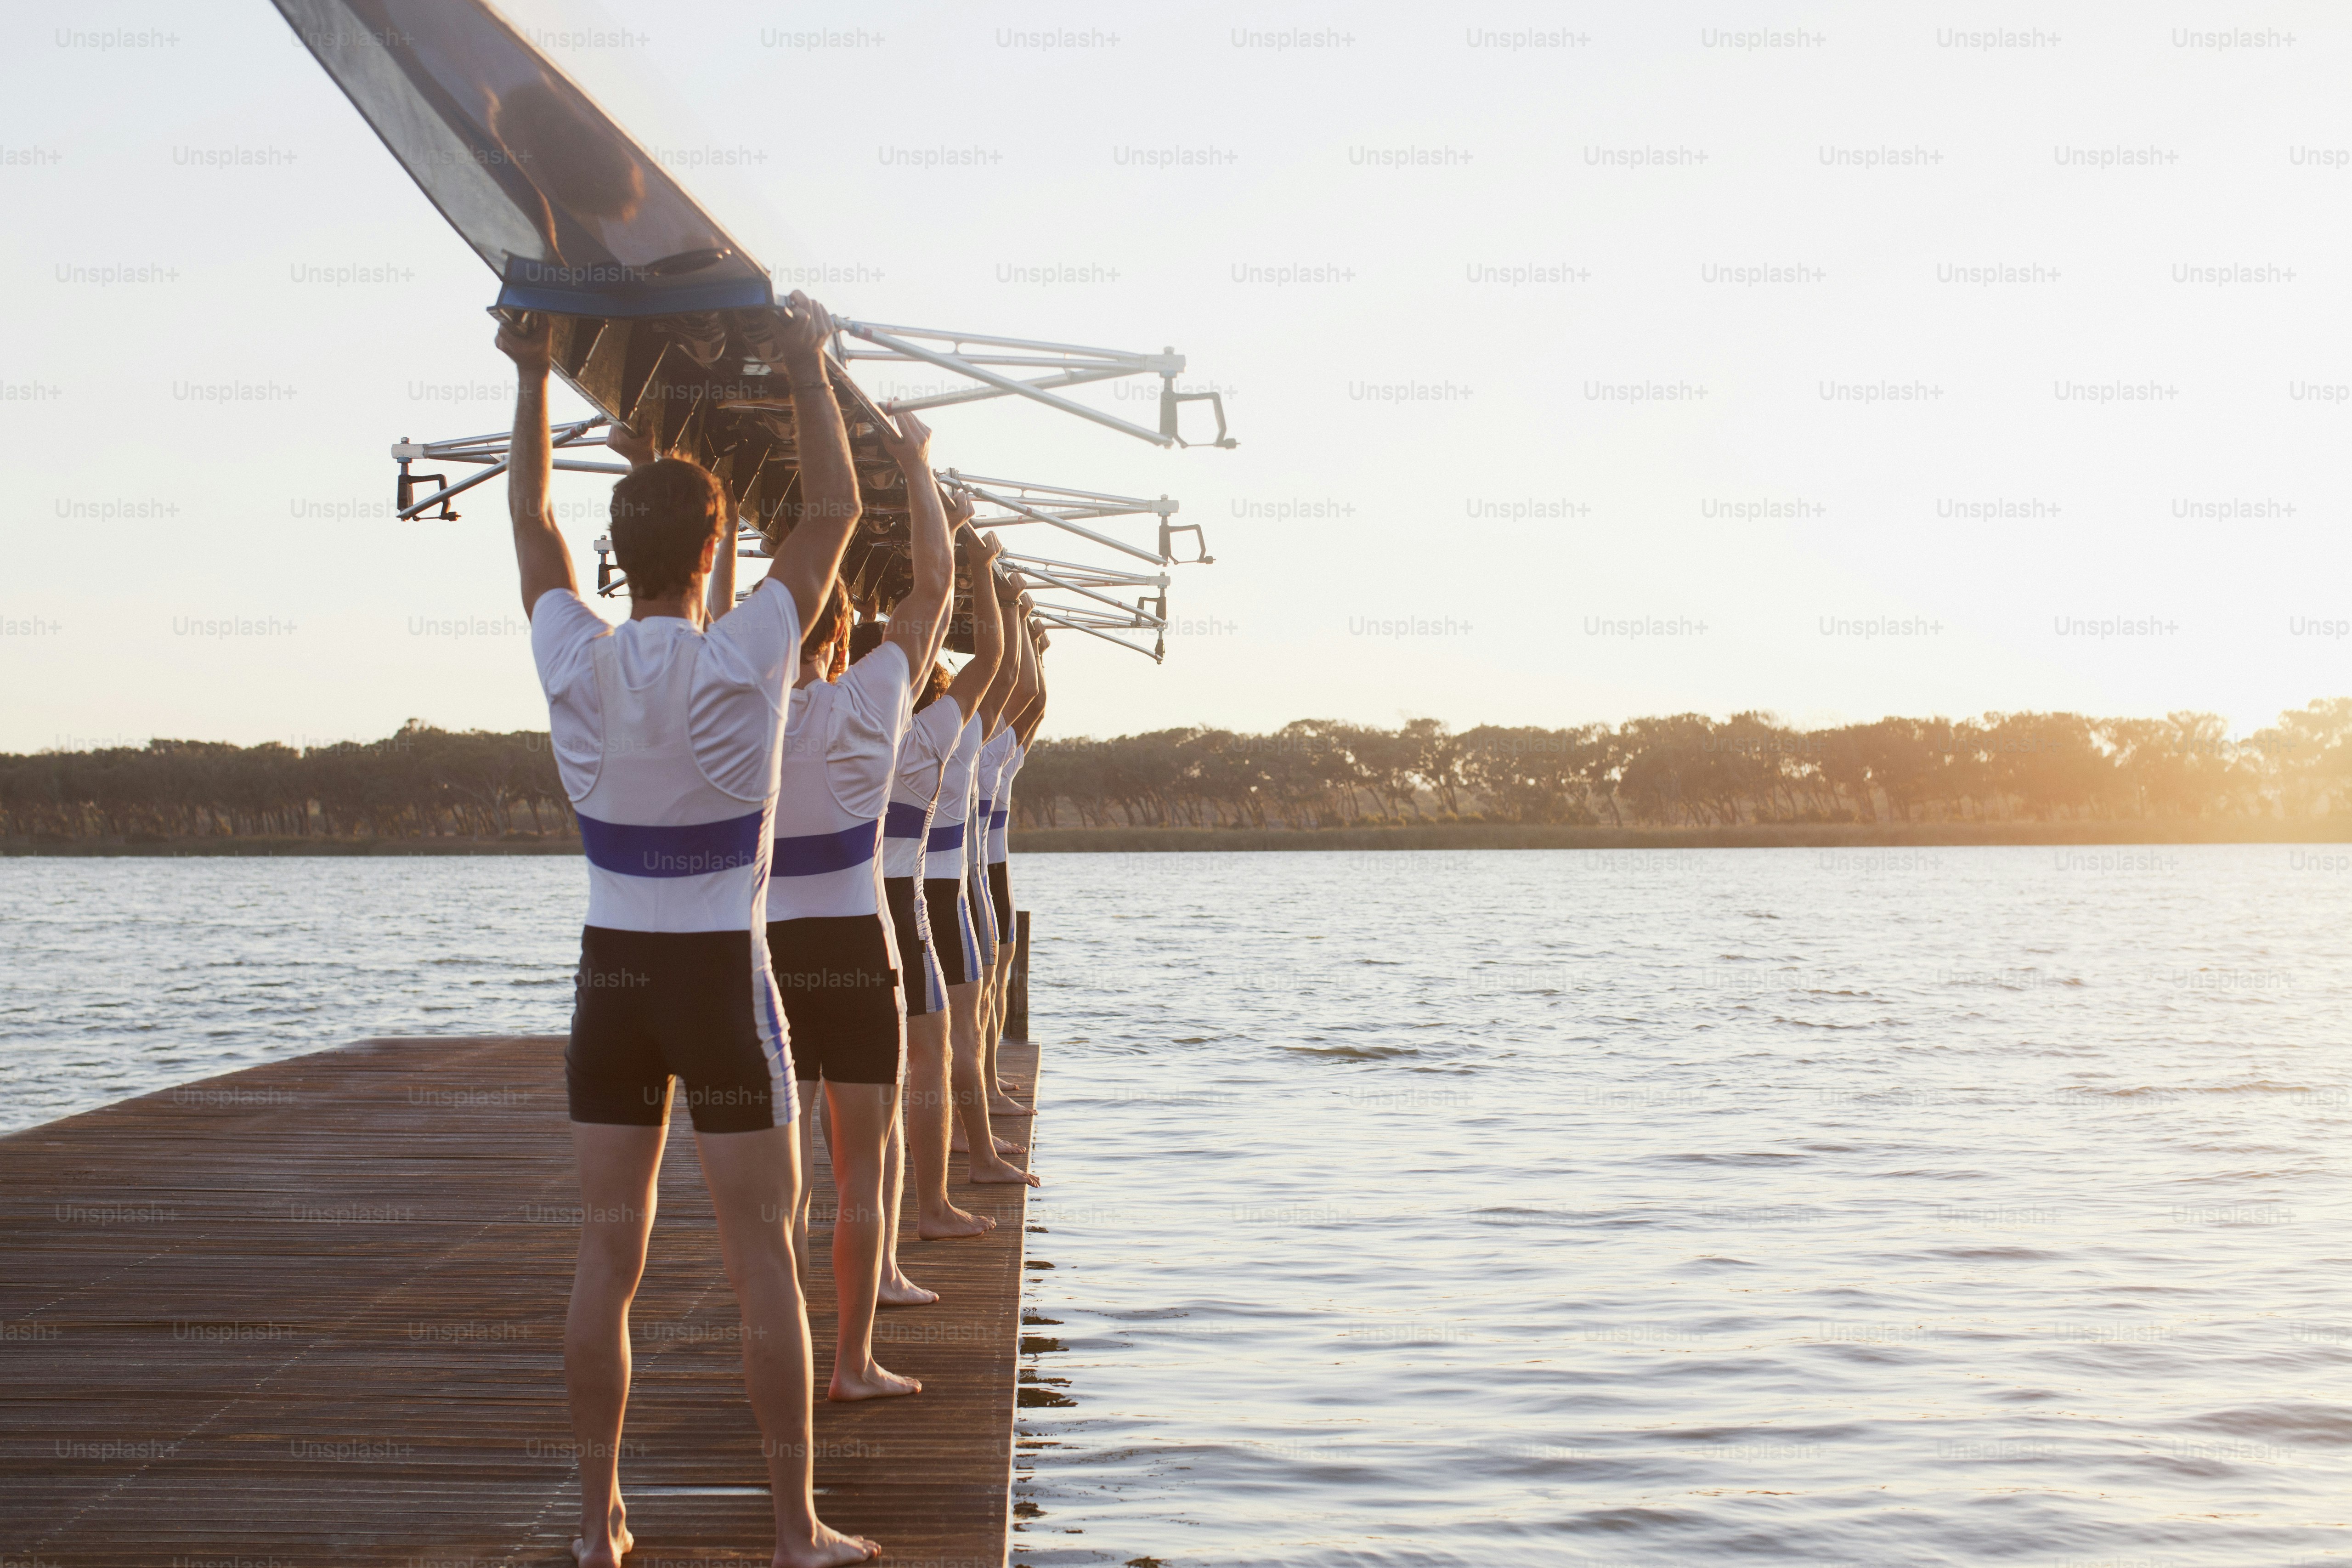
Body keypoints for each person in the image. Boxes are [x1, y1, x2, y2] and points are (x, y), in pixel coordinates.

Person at [500, 293, 879, 1567]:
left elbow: (532, 518)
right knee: (763, 1252)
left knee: (605, 1256)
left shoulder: (576, 657)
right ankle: (792, 1529)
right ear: (713, 546)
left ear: (622, 555)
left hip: (613, 974)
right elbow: (830, 518)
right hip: (723, 975)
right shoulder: (749, 656)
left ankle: (596, 1519)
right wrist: (805, 366)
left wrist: (534, 368)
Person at [756, 405, 953, 1403]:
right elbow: (937, 589)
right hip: (852, 943)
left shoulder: (742, 701)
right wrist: (916, 468)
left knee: (780, 1174)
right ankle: (850, 1364)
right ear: (844, 637)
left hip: (765, 952)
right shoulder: (877, 692)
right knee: (861, 1171)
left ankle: (786, 1346)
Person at [867, 509, 1009, 1288]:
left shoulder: (833, 721)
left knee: (836, 1081)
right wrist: (980, 569)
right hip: (908, 900)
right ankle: (931, 1204)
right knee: (924, 1063)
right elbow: (993, 658)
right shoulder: (931, 736)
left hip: (835, 901)